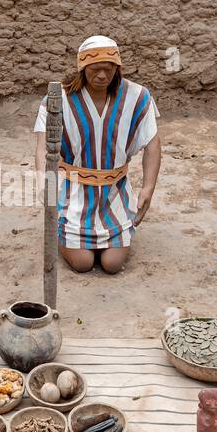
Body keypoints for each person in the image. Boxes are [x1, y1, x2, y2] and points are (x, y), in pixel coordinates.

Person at [33, 35, 162, 274]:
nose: (102, 75)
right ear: (82, 69)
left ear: (117, 68)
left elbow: (152, 144)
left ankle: (112, 230)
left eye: (108, 69)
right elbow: (43, 145)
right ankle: (63, 231)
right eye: (95, 69)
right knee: (82, 263)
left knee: (112, 264)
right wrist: (44, 180)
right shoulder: (58, 99)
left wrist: (148, 188)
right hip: (73, 193)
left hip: (115, 193)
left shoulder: (137, 97)